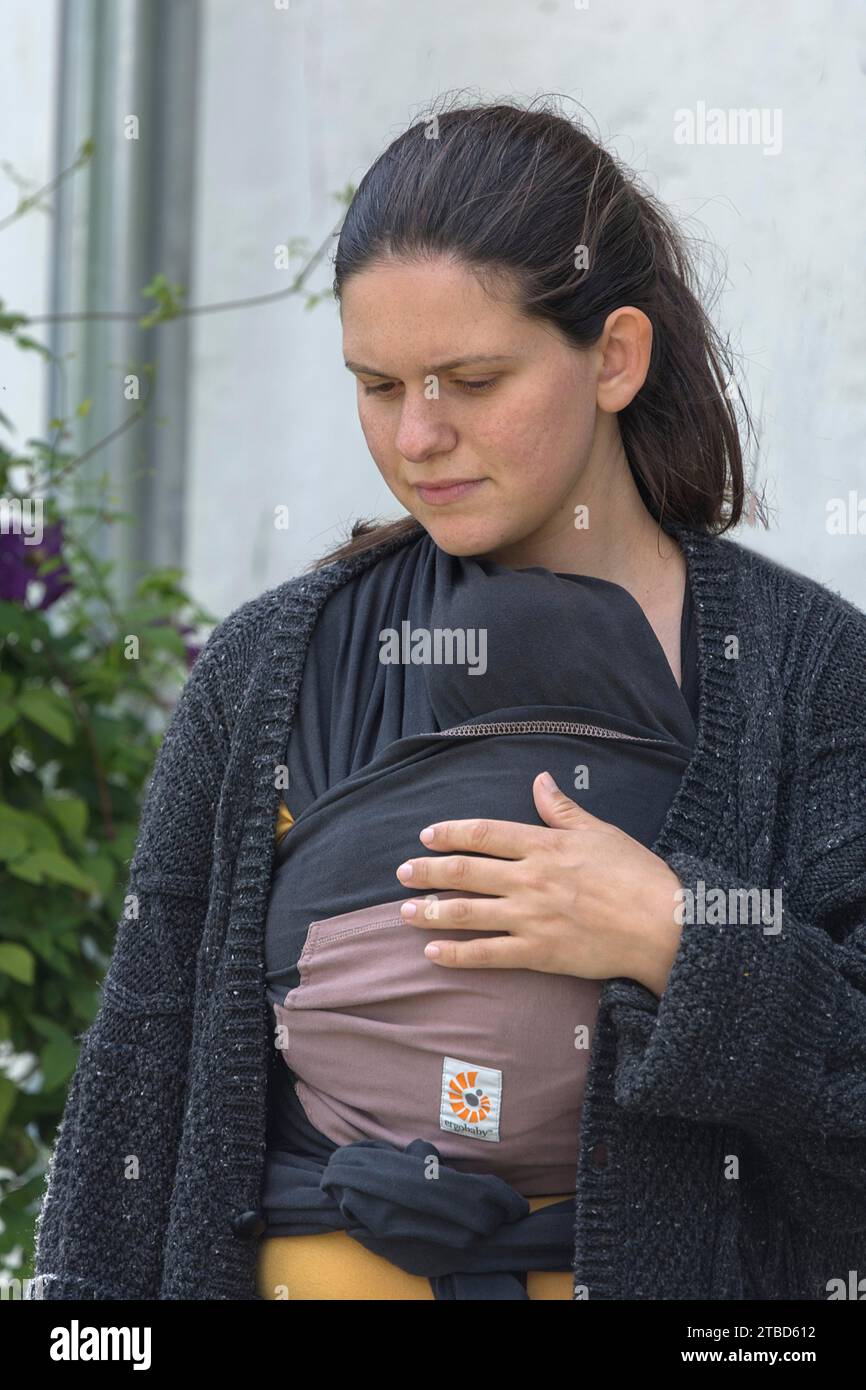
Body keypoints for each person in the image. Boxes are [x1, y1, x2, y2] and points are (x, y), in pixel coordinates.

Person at [29, 98, 866, 1302]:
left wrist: (680, 941)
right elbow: (146, 1063)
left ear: (614, 357)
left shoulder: (809, 677)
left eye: (472, 380)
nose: (418, 436)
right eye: (377, 385)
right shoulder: (272, 667)